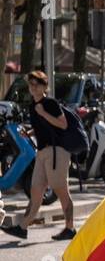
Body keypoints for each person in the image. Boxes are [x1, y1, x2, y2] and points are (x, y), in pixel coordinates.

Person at [2, 70, 79, 242]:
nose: (32, 87)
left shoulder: (50, 103)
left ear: (44, 86)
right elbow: (42, 127)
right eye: (30, 84)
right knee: (35, 191)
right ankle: (22, 227)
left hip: (57, 152)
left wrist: (43, 113)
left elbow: (63, 124)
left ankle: (70, 228)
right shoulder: (33, 106)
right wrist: (29, 132)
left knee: (61, 190)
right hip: (42, 152)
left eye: (36, 84)